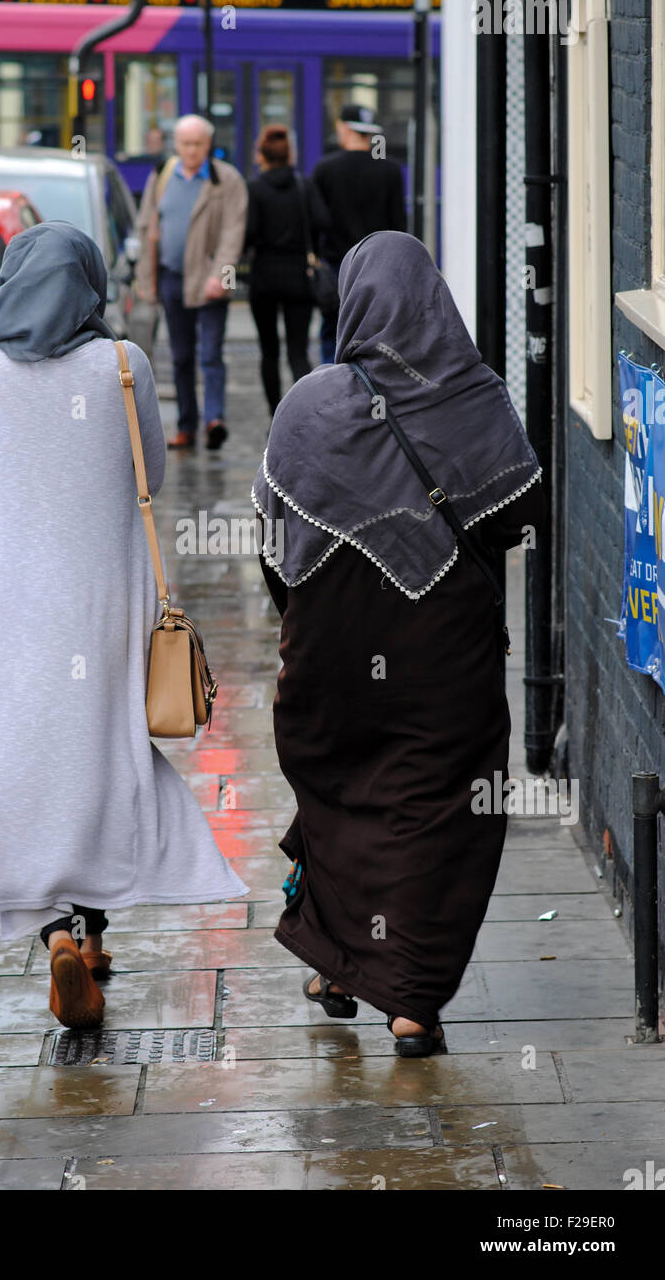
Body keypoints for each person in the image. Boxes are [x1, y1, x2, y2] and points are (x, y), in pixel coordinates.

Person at [252, 231, 546, 1057]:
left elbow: (271, 540)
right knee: (433, 814)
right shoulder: (475, 395)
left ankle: (341, 966)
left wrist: (302, 612)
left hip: (328, 659)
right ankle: (410, 1003)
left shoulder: (309, 405)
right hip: (444, 661)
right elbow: (524, 517)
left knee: (343, 802)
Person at [0, 221, 248, 1031]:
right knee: (98, 750)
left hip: (15, 604)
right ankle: (88, 936)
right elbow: (149, 473)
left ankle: (58, 933)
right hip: (105, 604)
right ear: (89, 284)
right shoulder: (124, 364)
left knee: (30, 762)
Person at [135, 114, 248, 450]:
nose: (191, 150)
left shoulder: (226, 180)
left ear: (208, 145)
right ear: (176, 144)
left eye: (198, 143)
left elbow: (233, 232)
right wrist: (145, 278)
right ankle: (186, 426)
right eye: (185, 143)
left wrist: (221, 277)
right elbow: (146, 227)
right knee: (181, 356)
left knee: (210, 354)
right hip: (171, 277)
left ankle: (215, 419)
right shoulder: (163, 176)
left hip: (209, 280)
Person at [245, 124, 330, 416]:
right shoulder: (303, 186)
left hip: (264, 278)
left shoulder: (254, 189)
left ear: (262, 155)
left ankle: (275, 414)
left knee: (269, 351)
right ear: (289, 154)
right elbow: (323, 221)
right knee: (298, 350)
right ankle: (303, 412)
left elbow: (249, 233)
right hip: (298, 278)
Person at [312, 103, 407, 363]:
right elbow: (398, 225)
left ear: (344, 128)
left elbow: (316, 221)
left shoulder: (324, 169)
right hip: (379, 267)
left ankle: (331, 389)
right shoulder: (390, 171)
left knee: (333, 332)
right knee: (375, 334)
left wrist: (315, 258)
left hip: (337, 267)